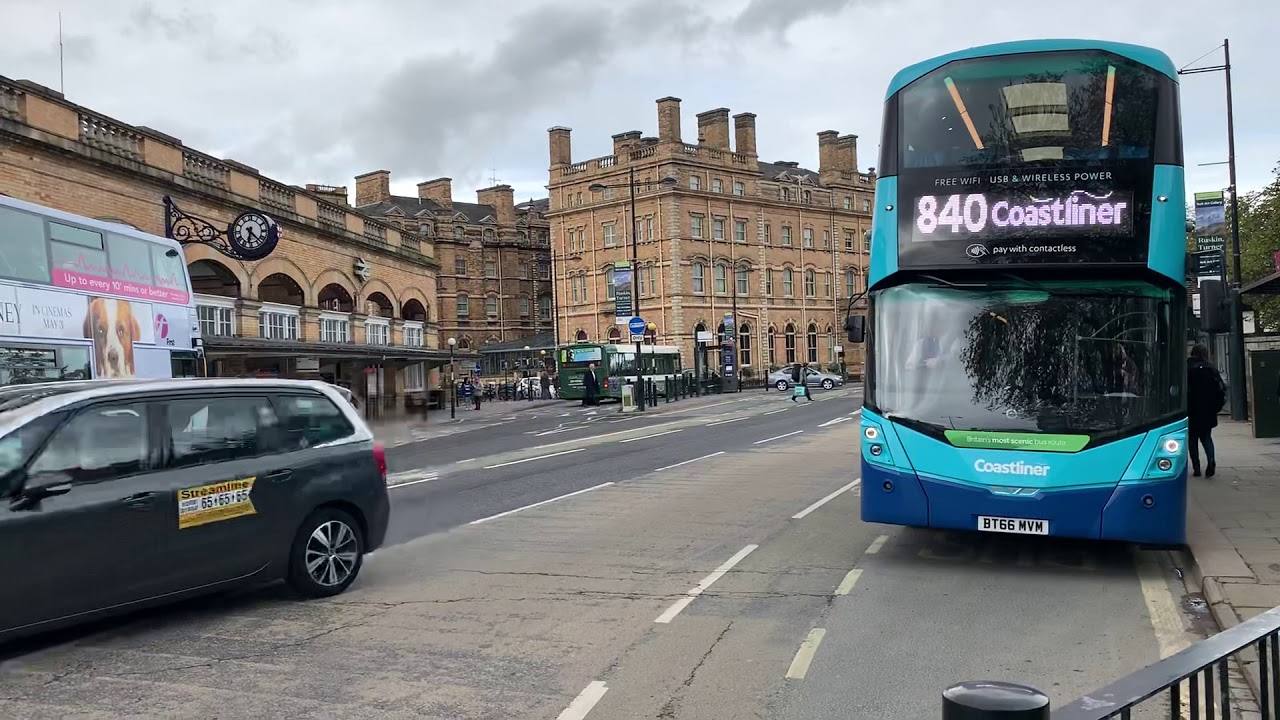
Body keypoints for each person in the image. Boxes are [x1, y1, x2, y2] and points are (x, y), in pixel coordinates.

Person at [1187, 344, 1226, 477]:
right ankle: (1211, 460)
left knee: (1192, 440)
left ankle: (1196, 468)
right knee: (1206, 437)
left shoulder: (1188, 368)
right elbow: (1221, 389)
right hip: (1208, 410)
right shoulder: (1211, 369)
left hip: (1191, 409)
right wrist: (1216, 407)